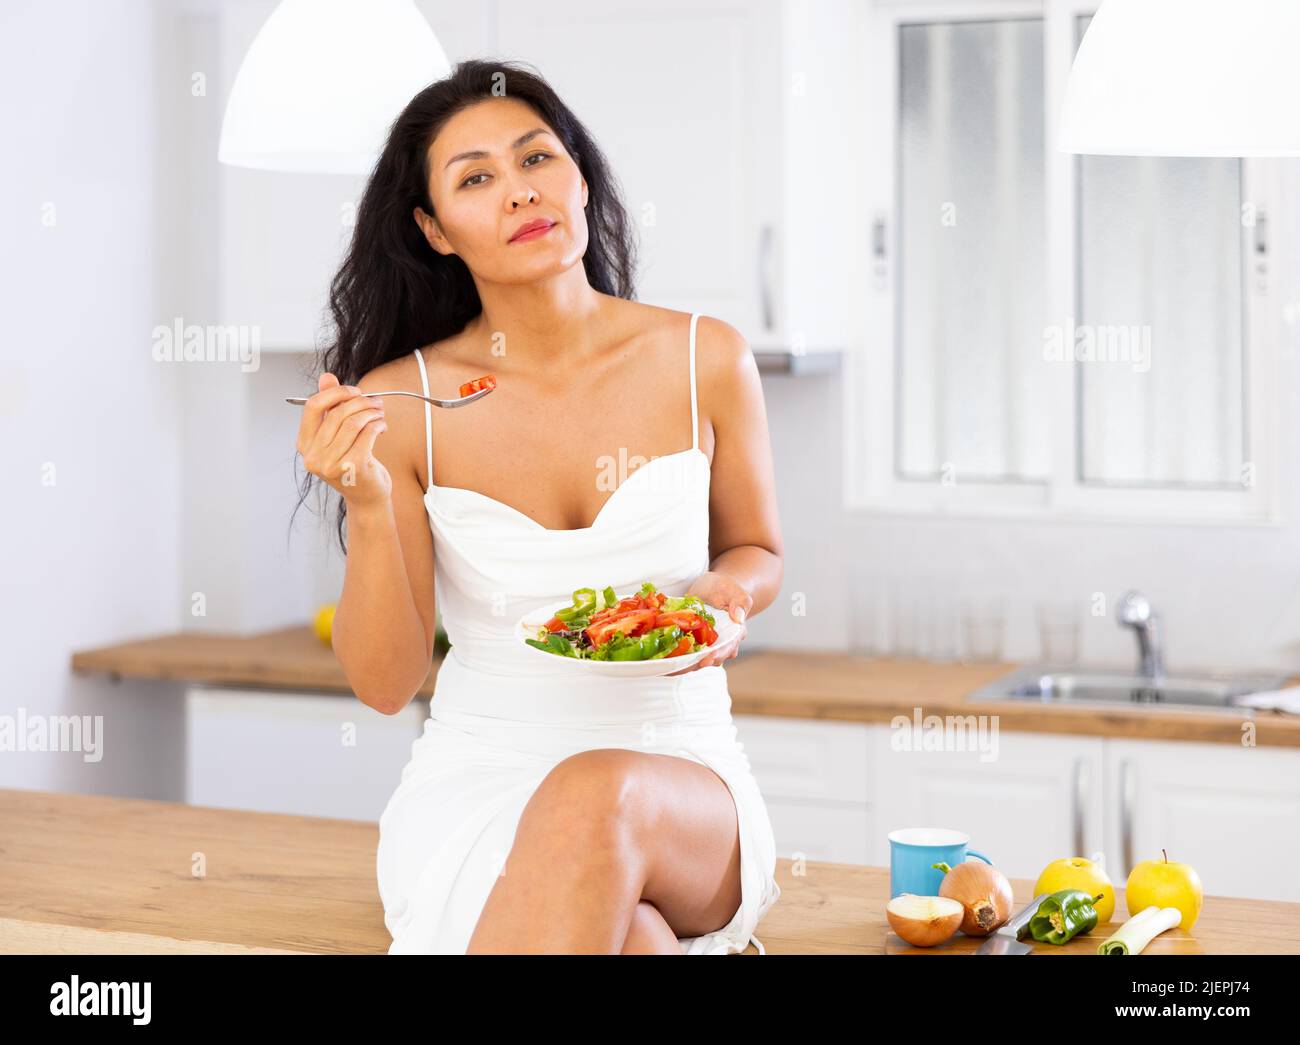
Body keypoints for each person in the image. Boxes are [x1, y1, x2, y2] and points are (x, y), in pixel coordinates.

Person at [293, 59, 784, 954]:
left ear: (581, 179)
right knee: (631, 941)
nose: (519, 193)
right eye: (476, 178)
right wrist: (368, 504)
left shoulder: (706, 357)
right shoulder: (405, 405)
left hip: (681, 781)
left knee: (599, 792)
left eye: (536, 159)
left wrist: (727, 591)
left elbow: (757, 548)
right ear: (435, 231)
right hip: (481, 786)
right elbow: (385, 680)